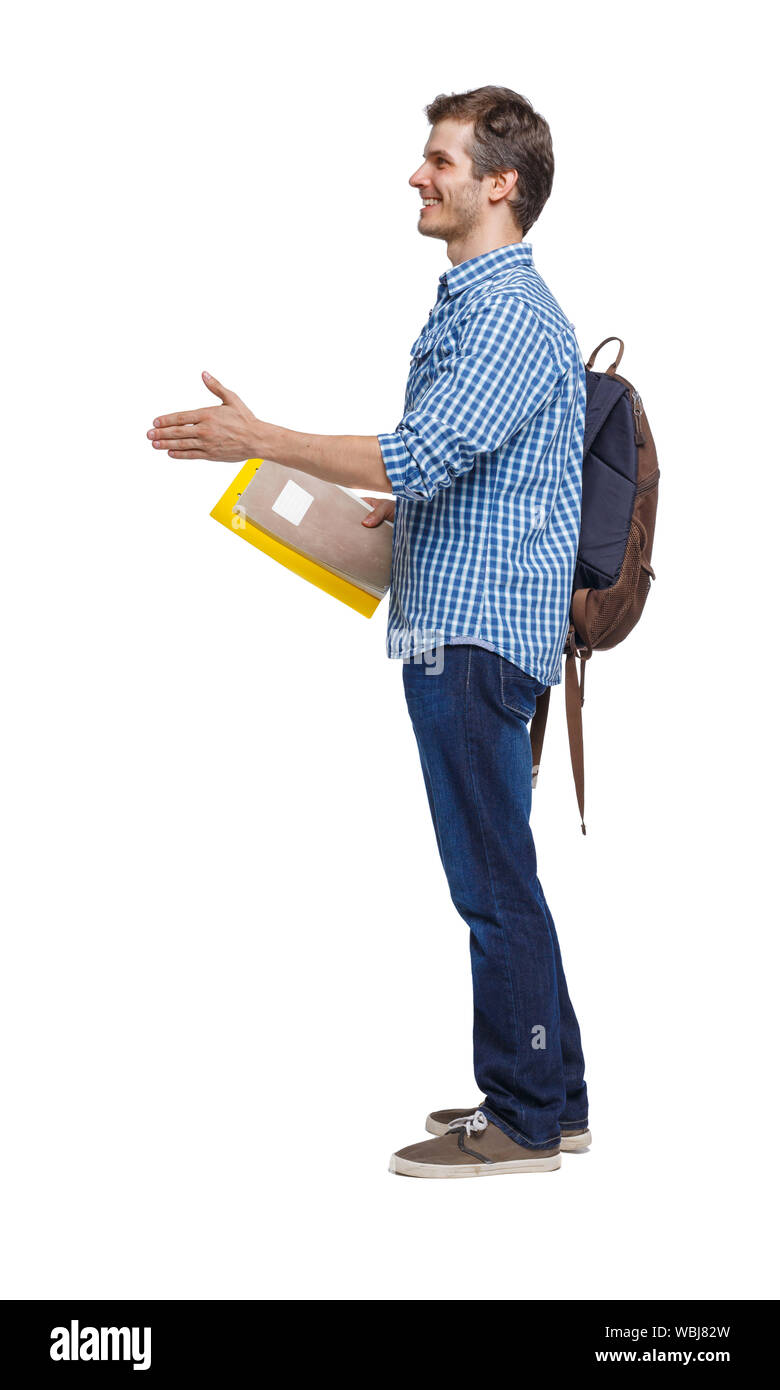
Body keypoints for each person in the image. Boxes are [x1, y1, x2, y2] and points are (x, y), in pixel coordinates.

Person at [147, 84, 590, 1179]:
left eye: (439, 160)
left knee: (493, 884)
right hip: (464, 625)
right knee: (499, 874)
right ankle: (554, 1094)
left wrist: (261, 438)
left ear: (502, 183)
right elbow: (454, 464)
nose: (416, 175)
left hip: (476, 636)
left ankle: (526, 1117)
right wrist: (413, 499)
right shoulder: (478, 306)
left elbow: (415, 453)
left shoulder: (505, 314)